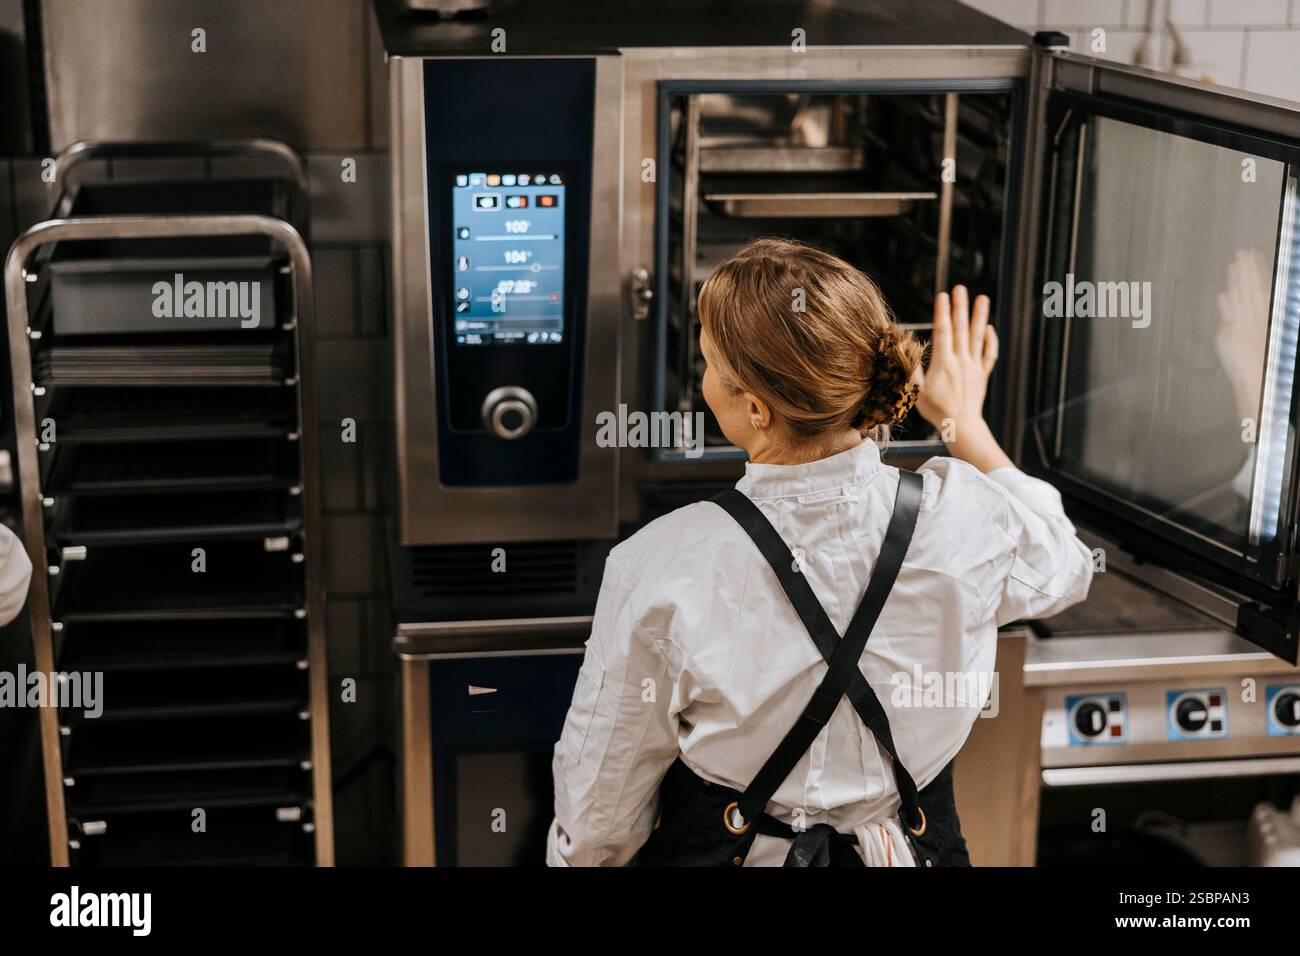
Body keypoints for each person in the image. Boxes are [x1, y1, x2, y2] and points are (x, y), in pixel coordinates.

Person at [547, 238, 1093, 866]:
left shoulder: (664, 564)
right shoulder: (965, 520)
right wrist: (961, 422)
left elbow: (600, 815)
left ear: (753, 409)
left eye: (706, 363)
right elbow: (1067, 563)